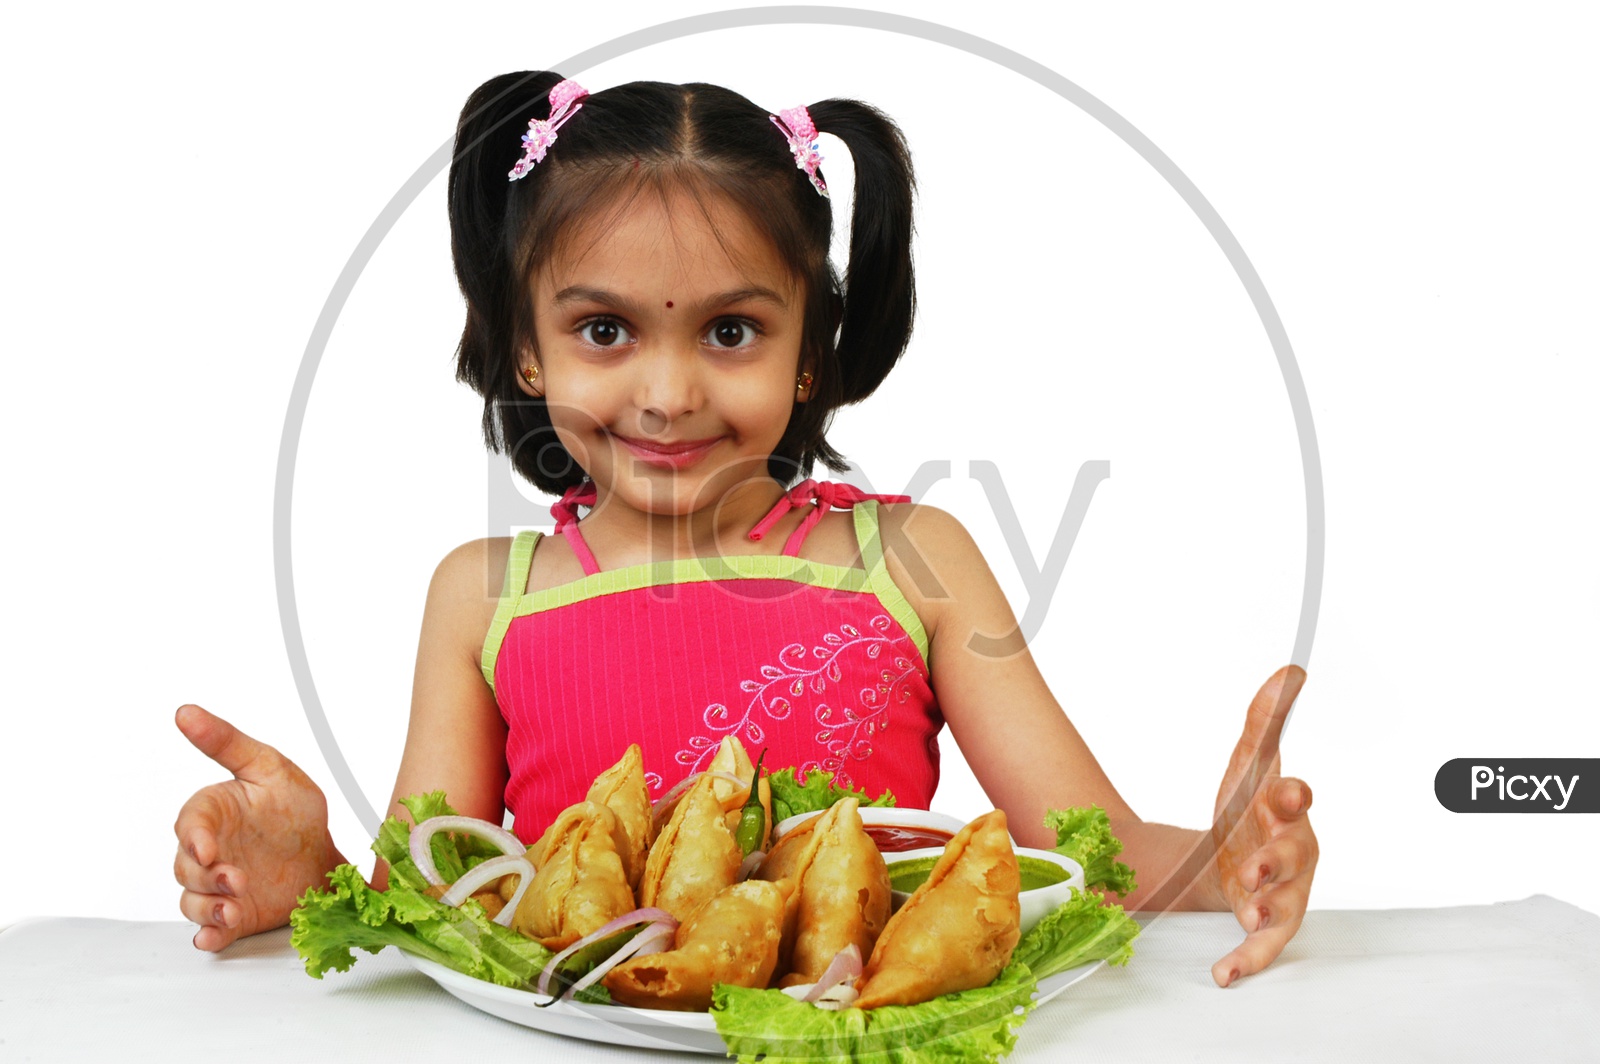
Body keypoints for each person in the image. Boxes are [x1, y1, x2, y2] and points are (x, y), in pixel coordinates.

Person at [172, 72, 1317, 990]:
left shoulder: (912, 560)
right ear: (526, 348)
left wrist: (1230, 856)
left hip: (848, 1016)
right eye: (604, 328)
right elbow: (440, 903)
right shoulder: (484, 593)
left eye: (729, 330)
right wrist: (310, 874)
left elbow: (1093, 854)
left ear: (809, 348)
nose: (667, 392)